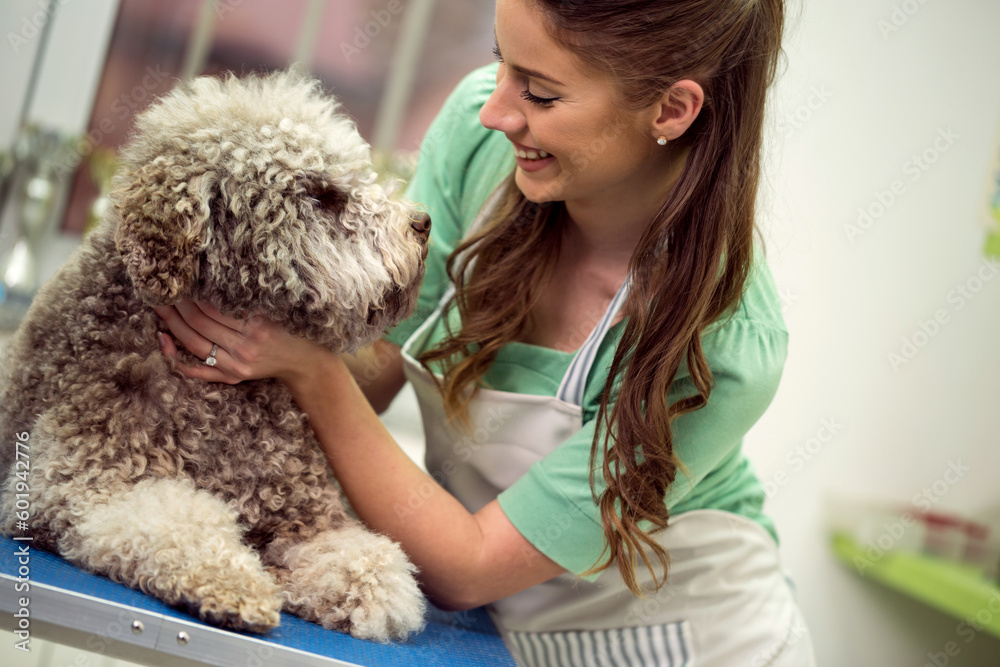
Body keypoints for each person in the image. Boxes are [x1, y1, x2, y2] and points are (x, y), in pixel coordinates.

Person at [155, 0, 818, 664]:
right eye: (503, 62)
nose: (495, 110)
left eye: (540, 92)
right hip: (498, 634)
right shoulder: (486, 149)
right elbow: (382, 352)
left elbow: (467, 566)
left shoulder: (723, 342)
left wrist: (312, 371)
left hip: (694, 644)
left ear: (671, 110)